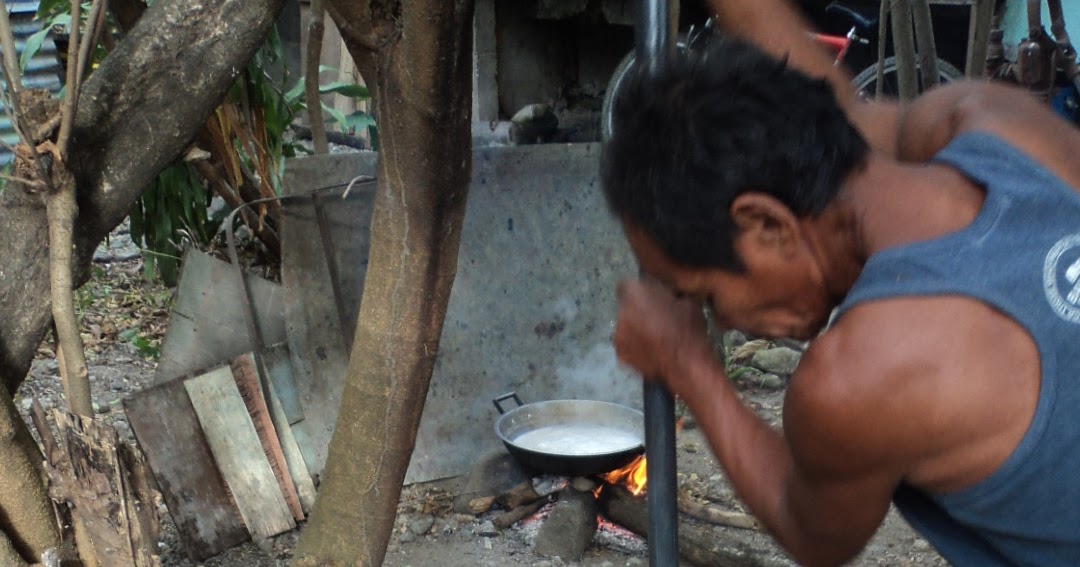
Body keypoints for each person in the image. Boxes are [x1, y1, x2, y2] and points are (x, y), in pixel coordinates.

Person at [601, 1, 1080, 565]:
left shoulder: (858, 376)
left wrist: (690, 366)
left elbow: (815, 537)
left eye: (708, 296)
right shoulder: (987, 119)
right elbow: (842, 114)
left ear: (766, 224)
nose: (723, 320)